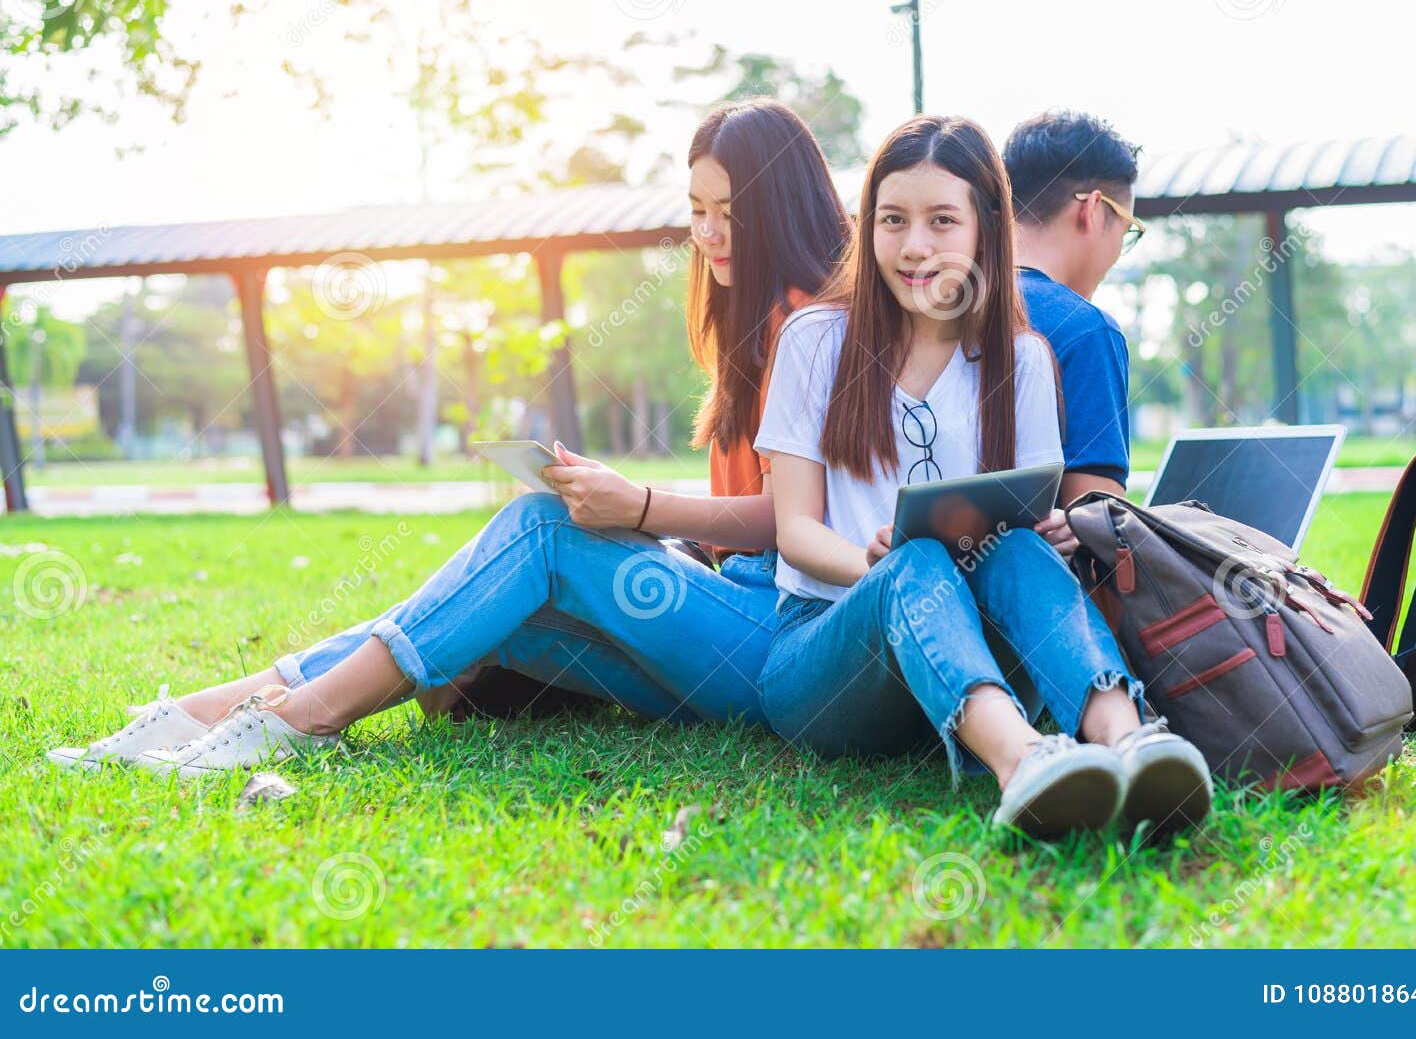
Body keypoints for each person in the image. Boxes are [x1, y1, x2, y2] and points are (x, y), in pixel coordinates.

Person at [49, 98, 853, 776]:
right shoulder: (752, 320)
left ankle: (293, 719)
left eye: (729, 214)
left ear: (777, 207)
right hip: (724, 622)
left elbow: (785, 521)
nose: (707, 235)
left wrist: (639, 507)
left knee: (536, 528)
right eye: (697, 212)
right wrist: (636, 520)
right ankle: (215, 711)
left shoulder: (807, 323)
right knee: (488, 607)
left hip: (775, 644)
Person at [752, 115, 1210, 839]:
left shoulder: (1022, 359)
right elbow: (796, 532)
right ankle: (1024, 762)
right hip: (826, 653)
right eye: (892, 220)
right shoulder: (816, 342)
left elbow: (1018, 526)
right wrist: (873, 566)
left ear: (984, 228)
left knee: (1019, 548)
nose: (914, 247)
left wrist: (1057, 532)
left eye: (941, 221)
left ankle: (1129, 742)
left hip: (967, 651)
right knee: (914, 560)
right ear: (867, 228)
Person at [1003, 111, 1141, 515]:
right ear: (1094, 210)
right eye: (1128, 229)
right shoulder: (1085, 331)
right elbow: (1096, 524)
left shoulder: (940, 307)